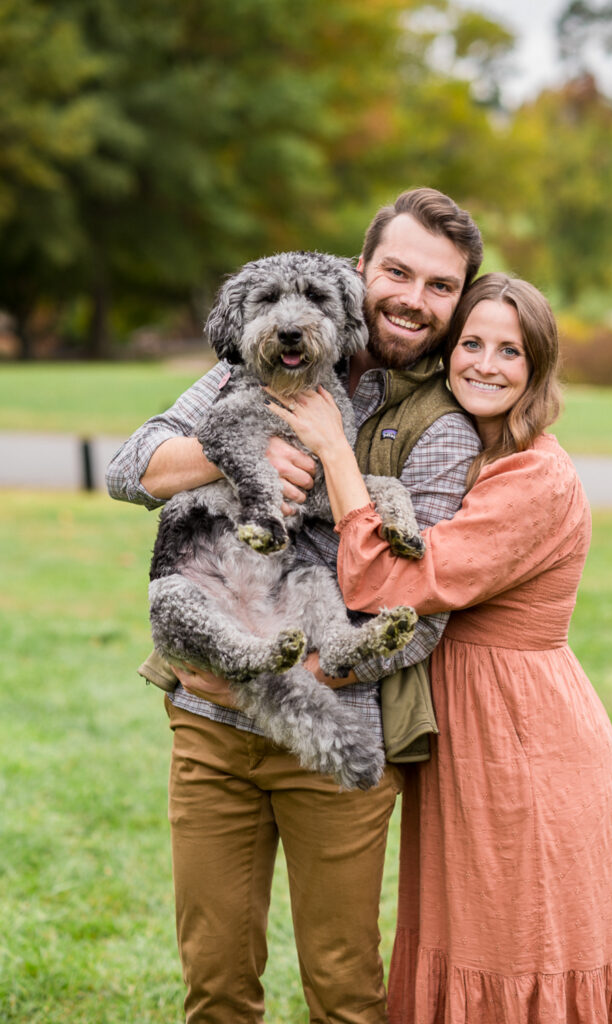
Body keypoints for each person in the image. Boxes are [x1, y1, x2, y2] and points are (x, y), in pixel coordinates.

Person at [106, 188, 485, 1023]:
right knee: (215, 990)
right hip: (211, 731)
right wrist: (231, 459)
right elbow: (131, 466)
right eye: (397, 272)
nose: (412, 299)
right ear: (361, 269)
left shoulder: (447, 423)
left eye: (439, 285)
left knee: (344, 994)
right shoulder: (255, 356)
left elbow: (422, 610)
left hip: (334, 726)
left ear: (459, 298)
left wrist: (281, 677)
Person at [268, 273, 612, 1023]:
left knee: (515, 946)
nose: (485, 364)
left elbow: (392, 581)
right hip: (465, 735)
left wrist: (335, 455)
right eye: (472, 343)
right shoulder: (477, 452)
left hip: (523, 741)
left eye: (510, 351)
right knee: (461, 937)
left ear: (538, 367)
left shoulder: (535, 476)